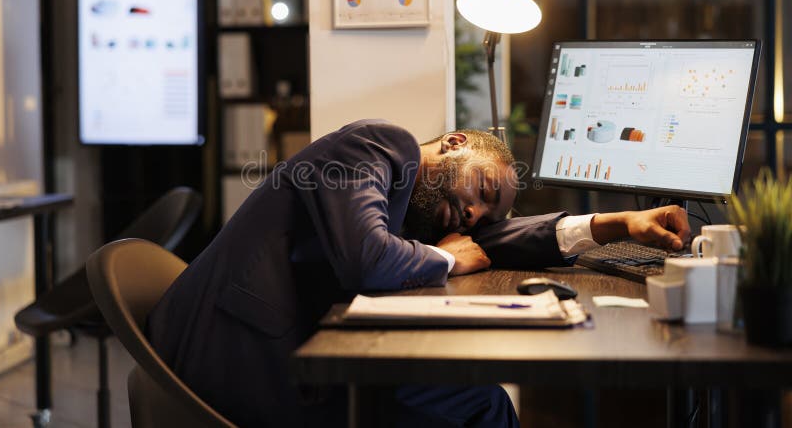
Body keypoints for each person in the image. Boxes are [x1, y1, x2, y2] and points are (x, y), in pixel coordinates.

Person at [147, 119, 690, 427]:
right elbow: (368, 257)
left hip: (274, 350)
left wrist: (614, 223)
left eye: (486, 211)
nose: (476, 213)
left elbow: (491, 240)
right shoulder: (379, 145)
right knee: (480, 405)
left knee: (474, 399)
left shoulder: (420, 202)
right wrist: (450, 258)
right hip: (231, 358)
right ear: (454, 145)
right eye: (481, 191)